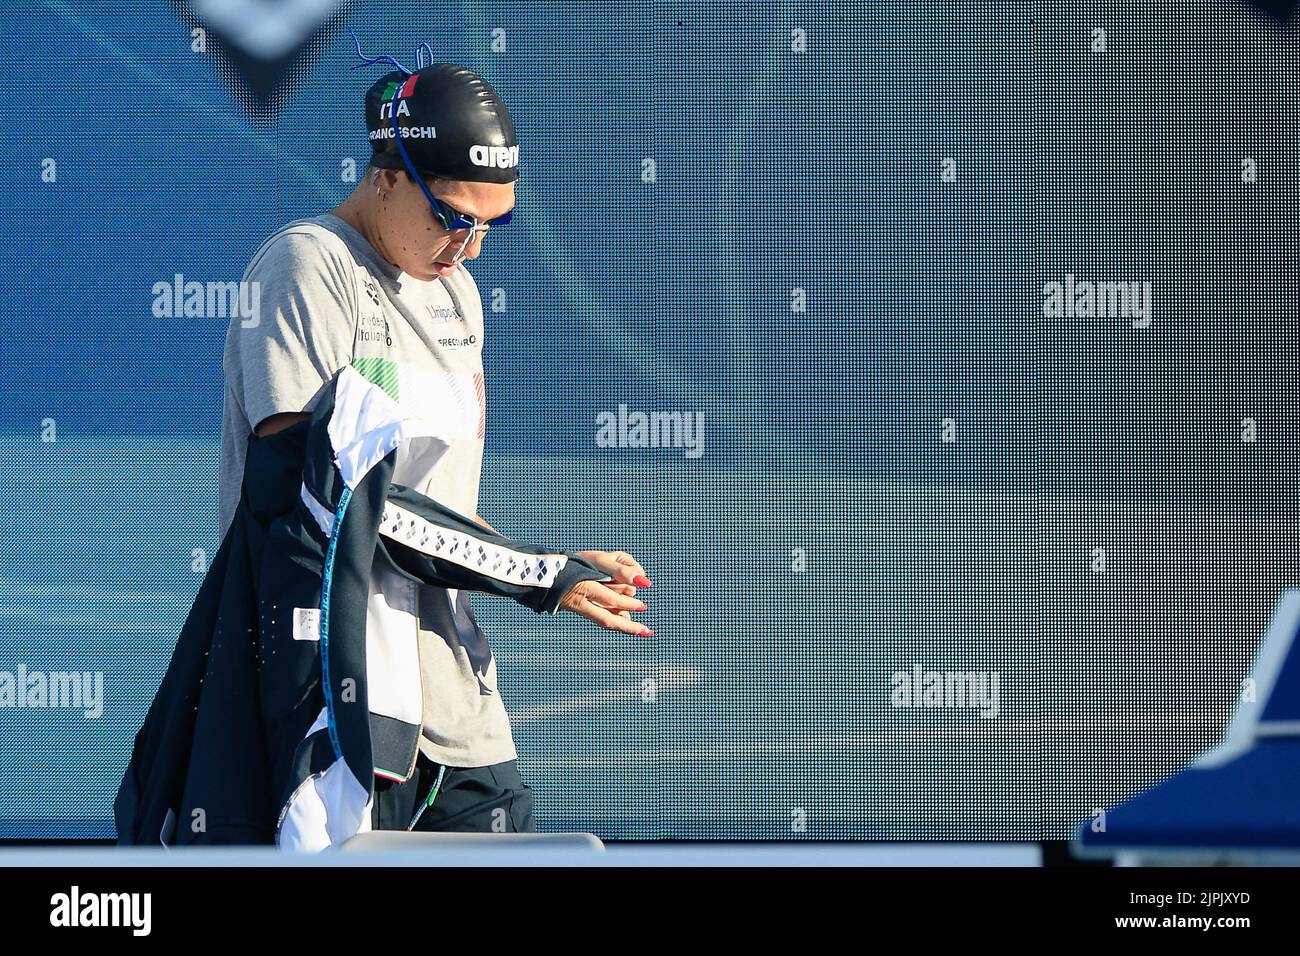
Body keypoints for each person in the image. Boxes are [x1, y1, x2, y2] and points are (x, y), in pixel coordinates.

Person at [217, 57, 652, 835]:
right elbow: (328, 502)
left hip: (458, 701)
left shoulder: (457, 291)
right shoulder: (307, 267)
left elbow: (432, 502)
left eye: (495, 223)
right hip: (338, 701)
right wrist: (536, 573)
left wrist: (548, 562)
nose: (473, 247)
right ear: (387, 176)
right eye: (456, 217)